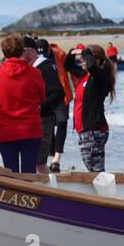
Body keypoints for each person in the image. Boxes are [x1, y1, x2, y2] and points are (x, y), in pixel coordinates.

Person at [0, 35, 44, 172]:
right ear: (22, 51)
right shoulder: (35, 73)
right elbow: (42, 97)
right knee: (29, 174)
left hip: (5, 130)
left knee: (10, 173)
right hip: (30, 129)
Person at [64, 44, 116, 172]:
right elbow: (67, 65)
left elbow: (92, 66)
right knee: (90, 167)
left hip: (94, 130)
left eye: (84, 60)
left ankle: (103, 191)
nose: (82, 63)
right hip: (85, 130)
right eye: (81, 60)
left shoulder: (101, 77)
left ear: (96, 60)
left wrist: (85, 52)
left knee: (96, 170)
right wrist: (73, 51)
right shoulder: (84, 76)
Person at [30, 37, 65, 173]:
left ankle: (50, 188)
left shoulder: (47, 66)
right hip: (31, 117)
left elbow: (58, 93)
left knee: (40, 162)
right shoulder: (31, 67)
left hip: (45, 115)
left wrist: (40, 106)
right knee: (34, 161)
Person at [46, 40, 73, 171]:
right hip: (45, 96)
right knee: (48, 125)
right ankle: (50, 155)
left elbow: (71, 71)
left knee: (62, 123)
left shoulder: (59, 54)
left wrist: (79, 90)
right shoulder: (31, 58)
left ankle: (57, 158)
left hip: (62, 95)